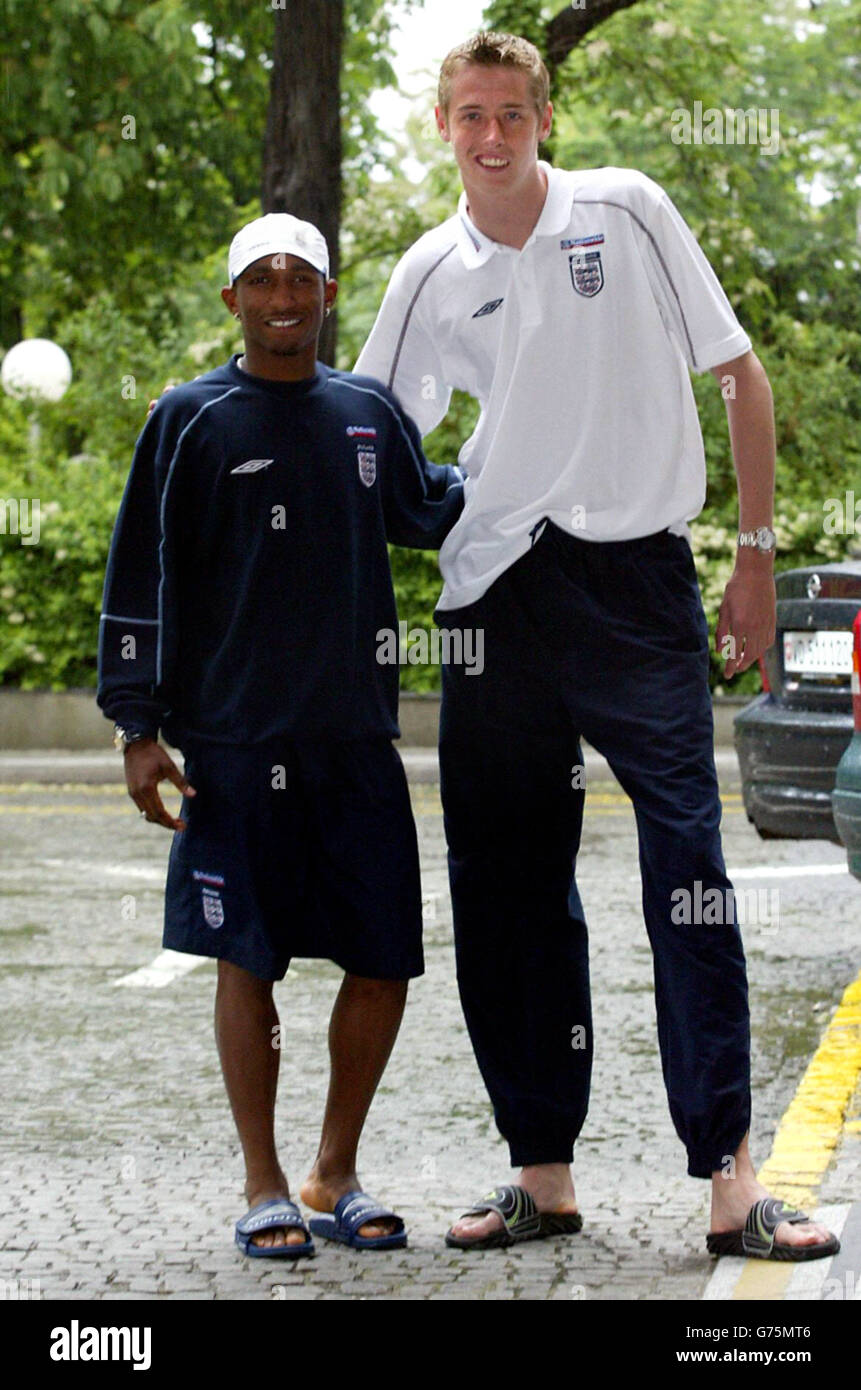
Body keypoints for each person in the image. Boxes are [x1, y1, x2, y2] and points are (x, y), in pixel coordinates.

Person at [354, 31, 839, 1261]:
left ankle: (732, 1182)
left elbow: (738, 374)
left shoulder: (625, 213)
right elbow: (370, 445)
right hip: (494, 600)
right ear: (444, 128)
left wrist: (755, 552)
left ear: (545, 118)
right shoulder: (427, 271)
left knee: (690, 868)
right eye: (470, 114)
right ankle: (543, 1172)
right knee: (509, 889)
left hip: (637, 585)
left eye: (513, 111)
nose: (493, 135)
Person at [97, 213, 464, 1258]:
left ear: (330, 295)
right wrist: (138, 725)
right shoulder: (188, 418)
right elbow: (140, 570)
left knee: (386, 954)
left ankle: (333, 1168)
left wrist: (530, 454)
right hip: (229, 738)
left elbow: (432, 507)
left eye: (300, 277)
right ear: (233, 301)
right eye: (260, 279)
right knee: (244, 958)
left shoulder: (366, 412)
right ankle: (263, 1182)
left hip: (353, 736)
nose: (281, 294)